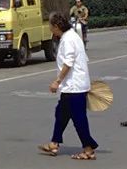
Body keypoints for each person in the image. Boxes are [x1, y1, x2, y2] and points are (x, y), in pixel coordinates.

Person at [38, 12, 98, 160]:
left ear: (57, 26)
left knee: (79, 119)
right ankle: (54, 143)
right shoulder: (70, 36)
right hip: (71, 86)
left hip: (74, 86)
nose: (50, 29)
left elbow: (68, 63)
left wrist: (57, 81)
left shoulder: (68, 39)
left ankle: (88, 149)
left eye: (51, 26)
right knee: (61, 114)